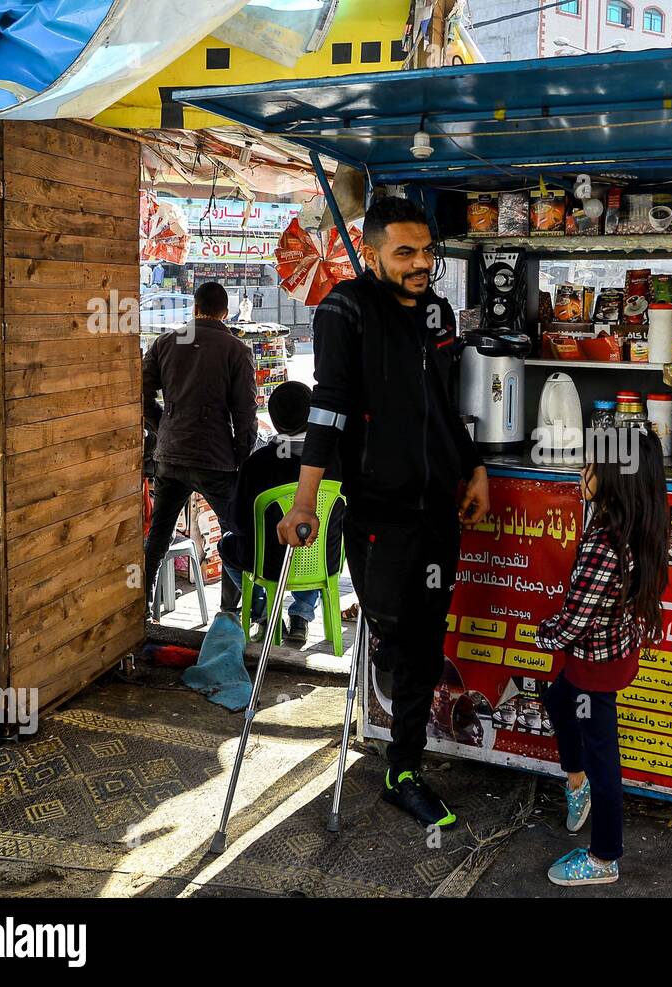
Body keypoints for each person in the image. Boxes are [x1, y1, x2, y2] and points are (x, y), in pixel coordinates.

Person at [276, 195, 488, 829]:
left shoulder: (438, 313)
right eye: (405, 253)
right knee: (400, 636)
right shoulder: (345, 309)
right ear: (372, 254)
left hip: (437, 508)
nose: (422, 263)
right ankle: (397, 751)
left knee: (425, 636)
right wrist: (307, 499)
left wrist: (473, 465)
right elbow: (329, 405)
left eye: (427, 251)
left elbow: (442, 404)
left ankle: (403, 767)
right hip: (378, 510)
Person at [537, 427, 669, 887]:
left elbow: (574, 622)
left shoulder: (604, 543)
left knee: (604, 759)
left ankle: (603, 857)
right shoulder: (635, 524)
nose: (582, 469)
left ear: (613, 477)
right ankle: (578, 783)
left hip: (595, 664)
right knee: (557, 701)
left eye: (591, 464)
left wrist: (542, 636)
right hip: (612, 653)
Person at [143, 281, 258, 611]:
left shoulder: (167, 342)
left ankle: (141, 607)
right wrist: (241, 456)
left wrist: (162, 421)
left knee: (160, 534)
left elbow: (140, 391)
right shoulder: (236, 350)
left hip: (170, 452)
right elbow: (245, 412)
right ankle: (230, 610)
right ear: (225, 313)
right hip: (216, 458)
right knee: (234, 532)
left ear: (194, 308)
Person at [218, 381, 343, 645]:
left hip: (268, 563)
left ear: (274, 420)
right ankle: (301, 617)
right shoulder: (335, 462)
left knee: (226, 544)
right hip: (325, 560)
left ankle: (264, 614)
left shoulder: (257, 465)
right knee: (311, 543)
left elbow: (236, 520)